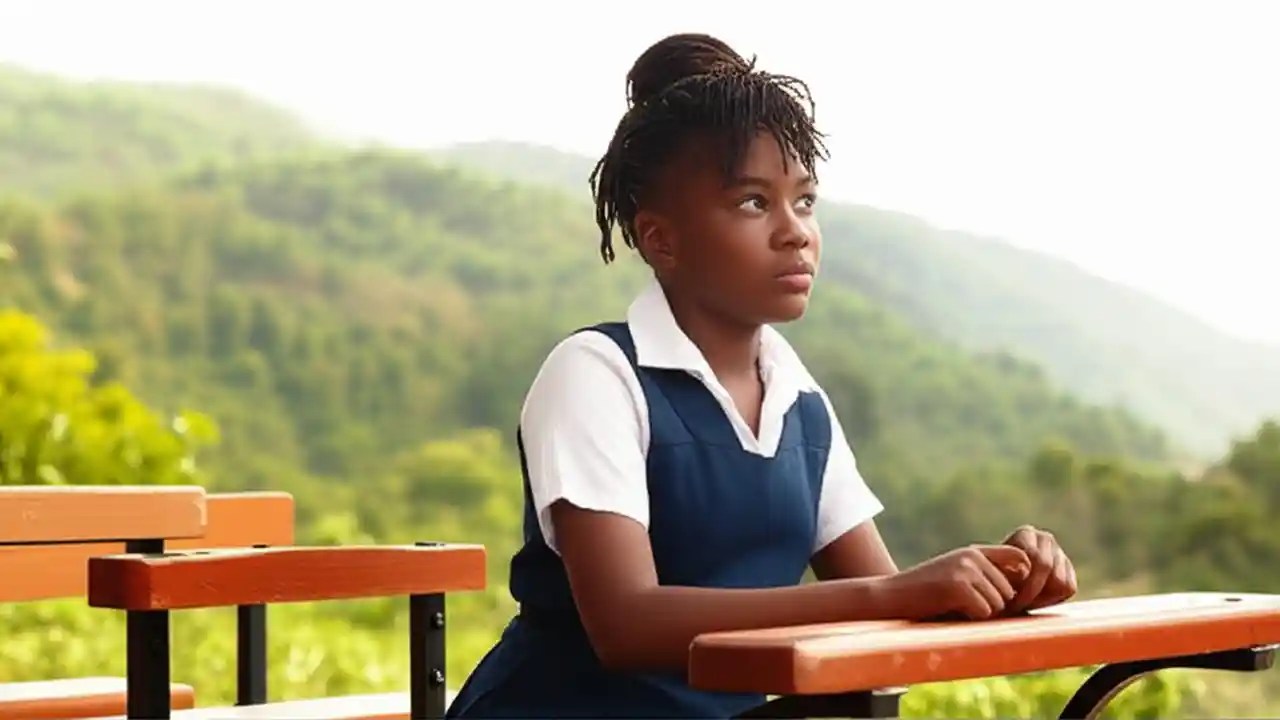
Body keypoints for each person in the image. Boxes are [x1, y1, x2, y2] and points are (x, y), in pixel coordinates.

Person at [446, 32, 1077, 719]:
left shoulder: (799, 403)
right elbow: (624, 625)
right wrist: (901, 595)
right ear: (661, 239)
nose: (795, 232)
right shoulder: (596, 375)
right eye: (754, 203)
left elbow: (886, 603)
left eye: (804, 202)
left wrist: (1000, 580)